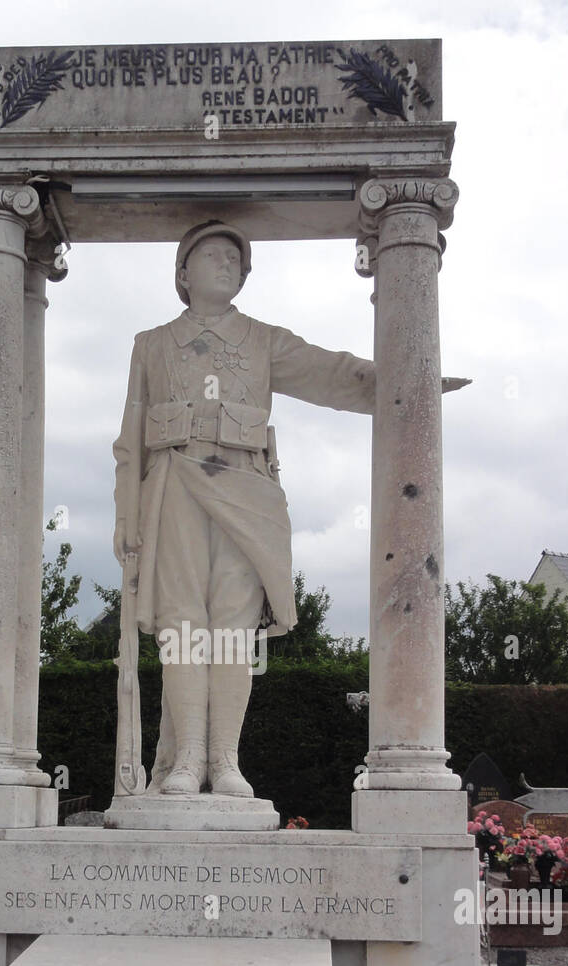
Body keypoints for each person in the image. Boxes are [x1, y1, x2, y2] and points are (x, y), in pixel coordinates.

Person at [112, 220, 380, 798]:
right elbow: (130, 438)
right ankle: (186, 761)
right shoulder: (151, 344)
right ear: (183, 273)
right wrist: (125, 517)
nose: (227, 264)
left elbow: (332, 372)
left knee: (233, 630)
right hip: (173, 486)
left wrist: (406, 380)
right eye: (211, 255)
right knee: (182, 627)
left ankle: (225, 761)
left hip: (246, 489)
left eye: (235, 258)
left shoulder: (263, 340)